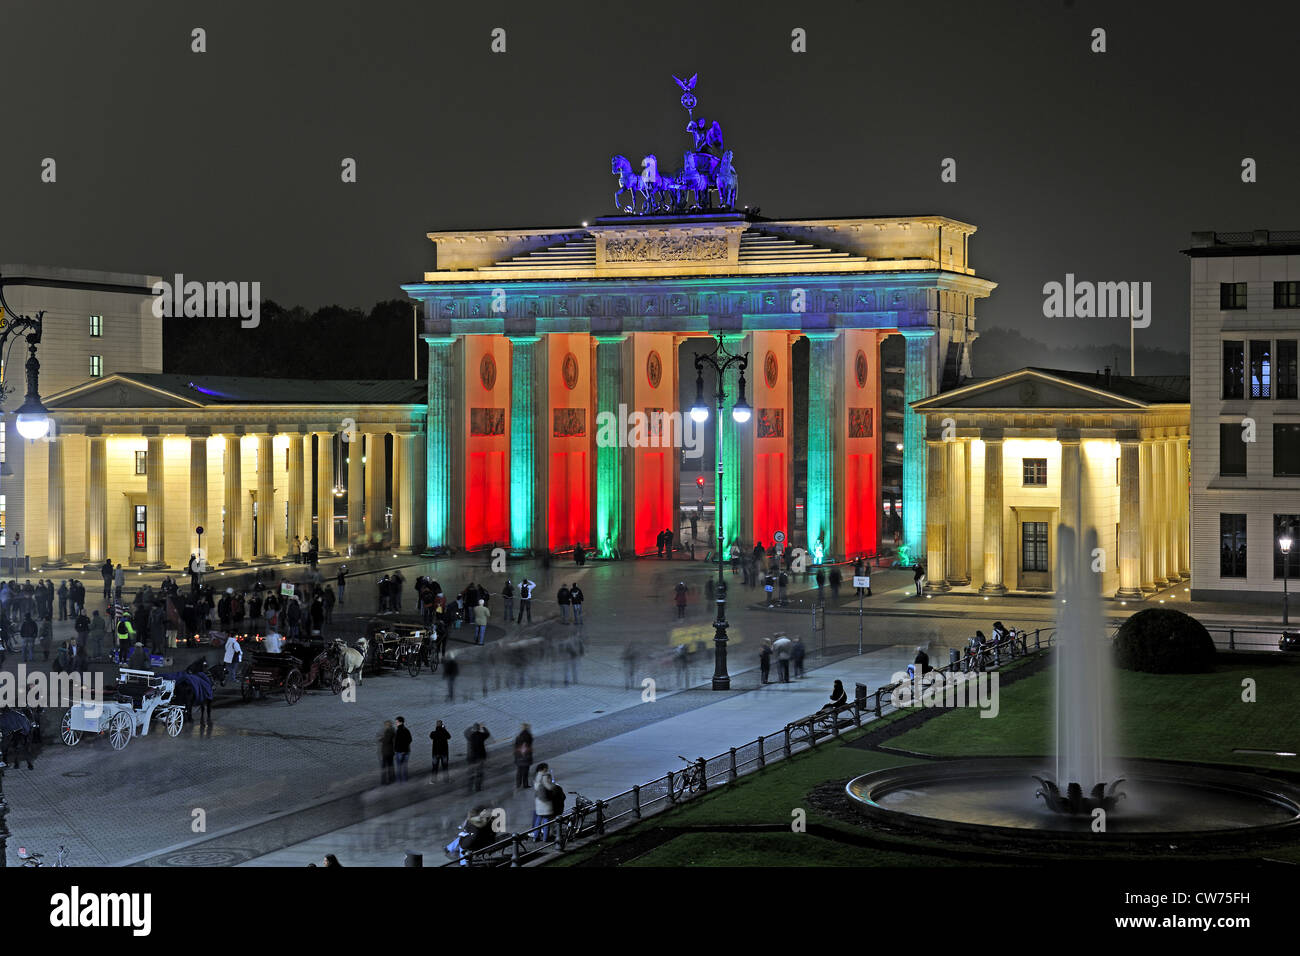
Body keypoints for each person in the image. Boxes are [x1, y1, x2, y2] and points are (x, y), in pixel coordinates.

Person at [532, 763, 558, 842]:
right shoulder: (544, 776)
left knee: (538, 818)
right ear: (543, 768)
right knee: (546, 819)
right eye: (546, 768)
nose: (547, 769)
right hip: (545, 801)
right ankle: (545, 838)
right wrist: (553, 785)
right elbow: (549, 787)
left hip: (538, 800)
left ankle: (535, 836)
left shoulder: (536, 776)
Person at [464, 722, 490, 793]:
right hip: (480, 758)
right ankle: (478, 788)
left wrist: (470, 728)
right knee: (479, 773)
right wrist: (483, 727)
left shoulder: (470, 736)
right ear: (479, 729)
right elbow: (488, 733)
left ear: (474, 729)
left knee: (471, 773)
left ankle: (469, 789)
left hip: (471, 758)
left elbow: (465, 732)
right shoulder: (482, 736)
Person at [513, 723, 534, 790]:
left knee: (519, 771)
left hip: (519, 756)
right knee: (525, 771)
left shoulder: (518, 737)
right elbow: (531, 742)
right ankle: (525, 784)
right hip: (526, 757)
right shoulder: (529, 736)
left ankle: (518, 784)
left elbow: (515, 746)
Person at [393, 716, 412, 783]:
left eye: (396, 722)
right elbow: (410, 740)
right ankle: (405, 781)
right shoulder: (407, 730)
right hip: (407, 751)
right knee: (404, 767)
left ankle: (399, 782)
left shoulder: (398, 731)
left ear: (400, 722)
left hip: (399, 751)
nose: (396, 723)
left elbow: (396, 742)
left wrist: (395, 749)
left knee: (399, 767)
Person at [379, 720, 396, 785]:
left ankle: (385, 781)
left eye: (385, 725)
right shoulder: (393, 731)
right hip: (390, 751)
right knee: (390, 765)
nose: (385, 726)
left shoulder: (389, 731)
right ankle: (391, 779)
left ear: (387, 725)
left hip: (387, 752)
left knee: (385, 767)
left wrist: (381, 739)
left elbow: (387, 740)